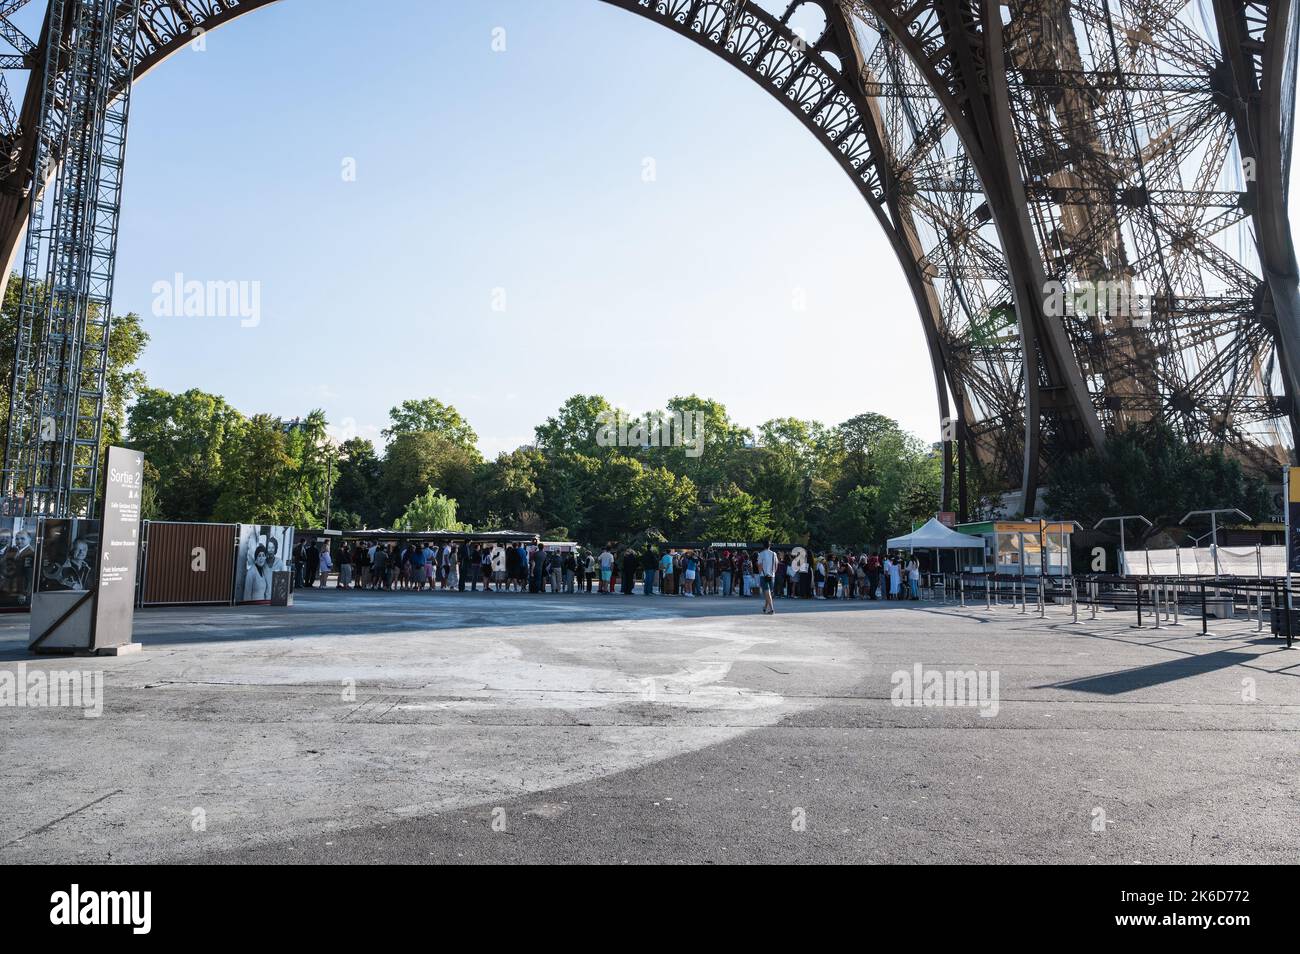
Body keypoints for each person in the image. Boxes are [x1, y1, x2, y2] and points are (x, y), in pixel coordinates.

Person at [756, 540, 778, 615]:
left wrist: (760, 573)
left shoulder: (761, 554)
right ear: (770, 546)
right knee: (769, 593)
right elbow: (776, 564)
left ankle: (772, 609)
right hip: (772, 575)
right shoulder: (774, 554)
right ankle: (765, 607)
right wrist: (774, 572)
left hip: (763, 575)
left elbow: (759, 565)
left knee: (767, 592)